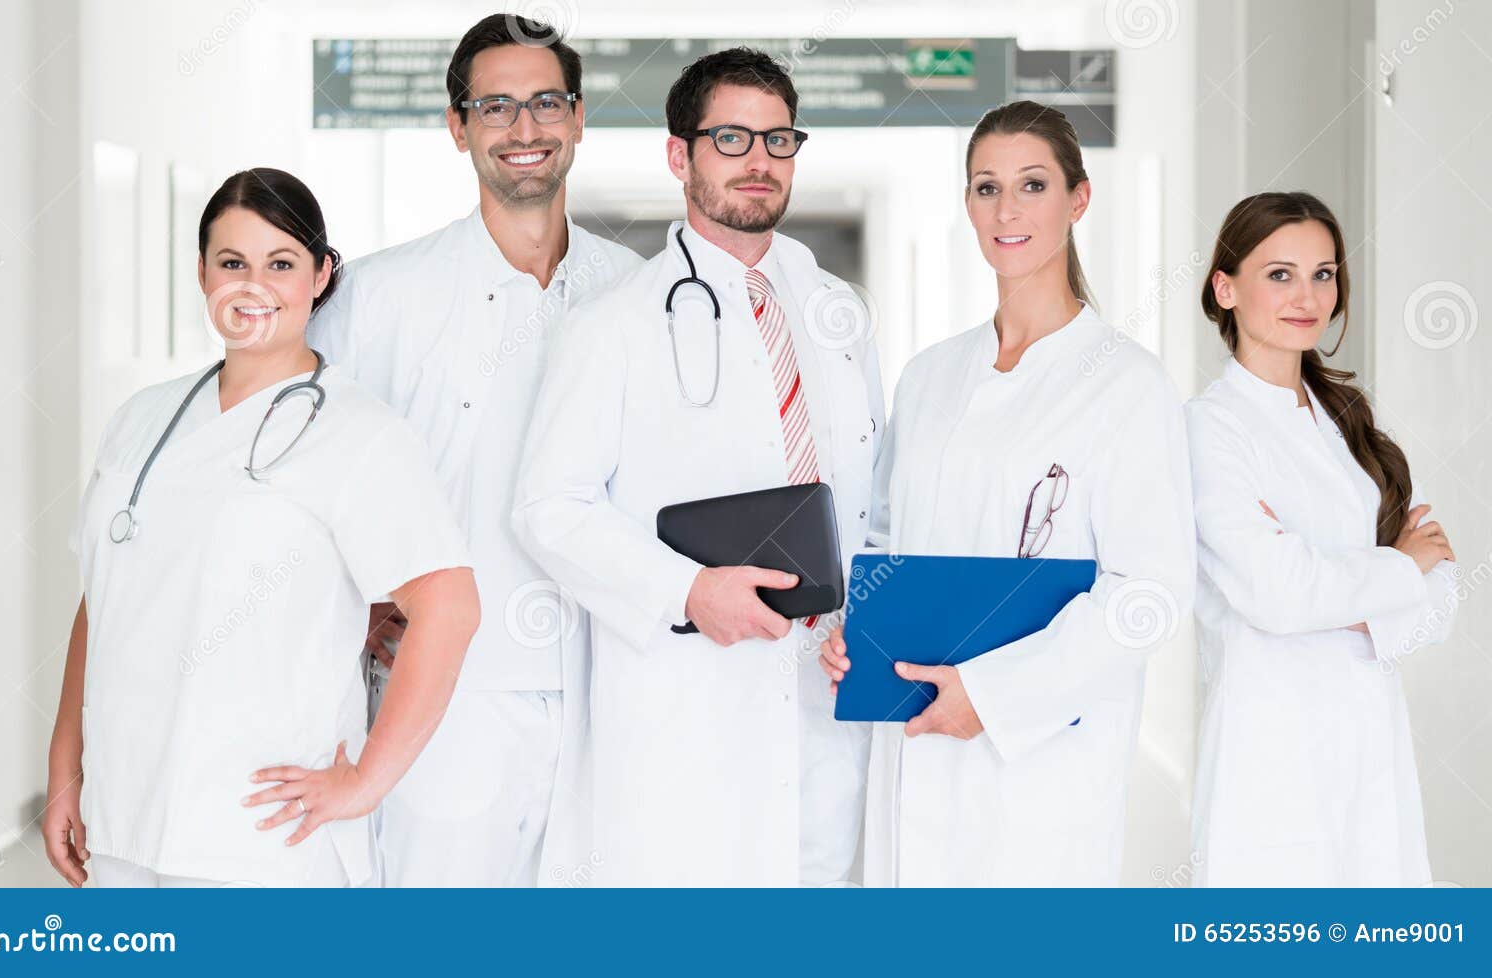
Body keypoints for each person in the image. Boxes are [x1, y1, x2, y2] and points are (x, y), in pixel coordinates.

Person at [42, 168, 479, 888]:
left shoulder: (359, 432)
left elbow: (450, 607)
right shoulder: (142, 419)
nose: (255, 285)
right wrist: (65, 771)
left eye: (281, 264)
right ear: (203, 273)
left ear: (321, 274)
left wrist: (366, 781)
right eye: (232, 263)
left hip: (262, 841)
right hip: (122, 818)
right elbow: (103, 599)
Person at [513, 47, 883, 886]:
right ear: (680, 155)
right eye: (731, 138)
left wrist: (873, 616)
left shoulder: (838, 317)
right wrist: (687, 591)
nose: (759, 161)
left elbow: (869, 495)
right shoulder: (614, 327)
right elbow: (548, 507)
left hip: (826, 697)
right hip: (687, 710)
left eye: (779, 140)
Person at [819, 100, 1196, 886]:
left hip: (1039, 766)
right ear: (967, 204)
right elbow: (886, 543)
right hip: (911, 733)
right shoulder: (928, 376)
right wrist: (852, 629)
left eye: (1032, 184)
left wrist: (994, 697)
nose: (1007, 209)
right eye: (987, 187)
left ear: (1078, 199)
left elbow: (1149, 593)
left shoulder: (1126, 384)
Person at [307, 14, 641, 887]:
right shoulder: (381, 296)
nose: (523, 130)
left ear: (576, 119)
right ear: (457, 127)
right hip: (450, 703)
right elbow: (306, 474)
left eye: (544, 104)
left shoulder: (637, 292)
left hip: (613, 689)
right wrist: (358, 604)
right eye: (496, 107)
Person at [1187, 191, 1460, 886]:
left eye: (1324, 273)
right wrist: (1395, 568)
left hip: (1373, 738)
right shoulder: (1208, 430)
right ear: (1226, 287)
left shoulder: (1354, 426)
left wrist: (1349, 583)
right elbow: (1278, 595)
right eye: (1279, 274)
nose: (1306, 295)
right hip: (1270, 745)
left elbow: (1442, 595)